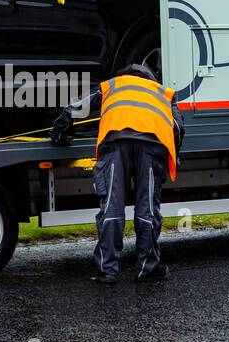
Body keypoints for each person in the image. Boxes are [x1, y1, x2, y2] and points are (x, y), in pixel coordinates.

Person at [51, 63, 183, 283]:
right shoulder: (162, 92)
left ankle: (107, 270)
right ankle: (147, 269)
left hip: (115, 143)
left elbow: (76, 107)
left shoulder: (112, 85)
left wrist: (59, 133)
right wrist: (173, 153)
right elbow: (177, 128)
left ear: (124, 75)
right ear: (150, 78)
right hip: (151, 146)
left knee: (112, 207)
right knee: (147, 209)